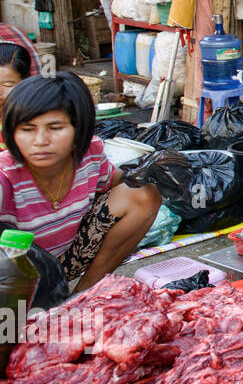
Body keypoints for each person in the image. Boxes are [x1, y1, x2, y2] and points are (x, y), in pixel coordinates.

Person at [0, 73, 161, 293]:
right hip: (13, 277)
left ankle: (83, 296)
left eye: (55, 128)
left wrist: (156, 173)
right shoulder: (5, 175)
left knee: (143, 194)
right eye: (27, 130)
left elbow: (118, 183)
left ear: (79, 129)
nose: (40, 141)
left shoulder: (89, 156)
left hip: (64, 263)